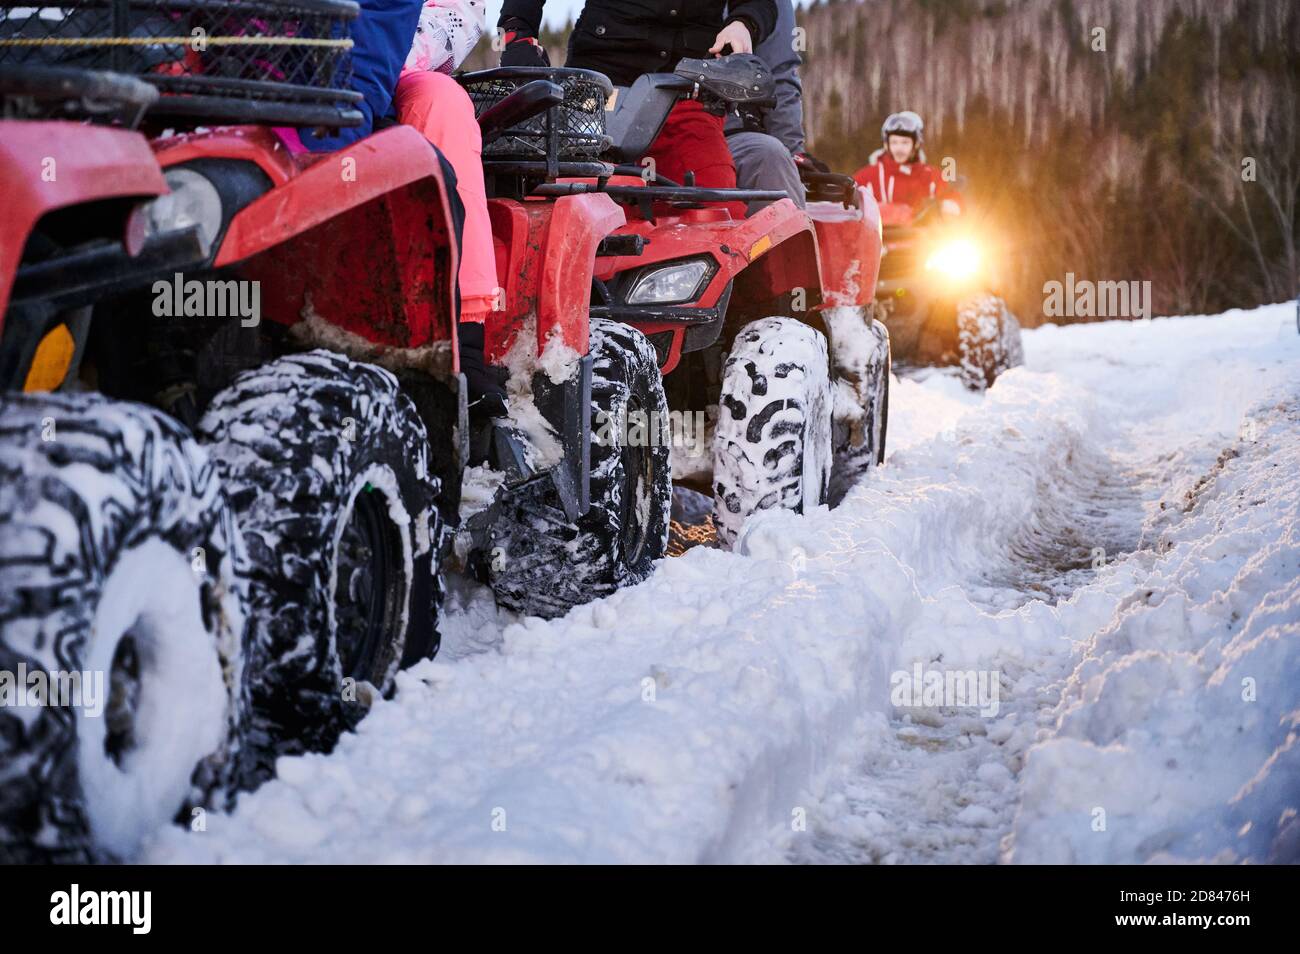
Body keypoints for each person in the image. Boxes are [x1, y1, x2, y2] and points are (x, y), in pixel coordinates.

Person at [495, 1, 778, 197]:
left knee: (714, 199)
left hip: (688, 94)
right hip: (597, 99)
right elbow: (520, 14)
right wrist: (518, 33)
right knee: (569, 200)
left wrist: (743, 23)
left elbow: (760, 3)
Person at [724, 0, 812, 213]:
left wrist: (792, 152)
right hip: (644, 130)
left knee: (770, 159)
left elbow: (777, 76)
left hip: (731, 133)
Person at [853, 111, 961, 216]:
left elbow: (954, 198)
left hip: (923, 233)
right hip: (879, 233)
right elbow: (846, 196)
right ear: (887, 145)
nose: (899, 148)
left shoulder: (931, 177)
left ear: (916, 144)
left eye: (905, 142)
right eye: (894, 142)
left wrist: (950, 205)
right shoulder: (868, 177)